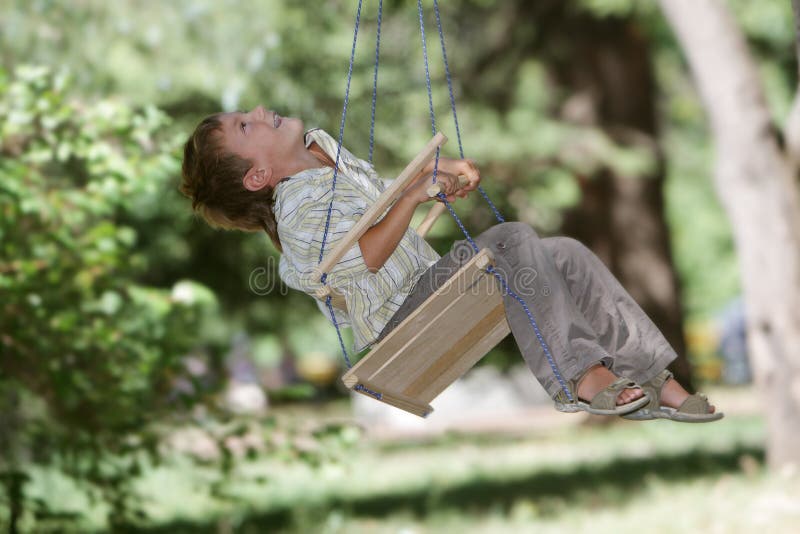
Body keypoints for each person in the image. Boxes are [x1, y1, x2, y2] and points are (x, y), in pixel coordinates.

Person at [180, 105, 722, 423]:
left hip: (428, 287)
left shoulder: (325, 152)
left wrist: (433, 180)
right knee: (510, 239)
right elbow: (359, 259)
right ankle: (578, 375)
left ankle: (653, 381)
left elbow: (381, 209)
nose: (255, 113)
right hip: (401, 321)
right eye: (245, 128)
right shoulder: (295, 208)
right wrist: (415, 193)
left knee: (565, 257)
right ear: (257, 178)